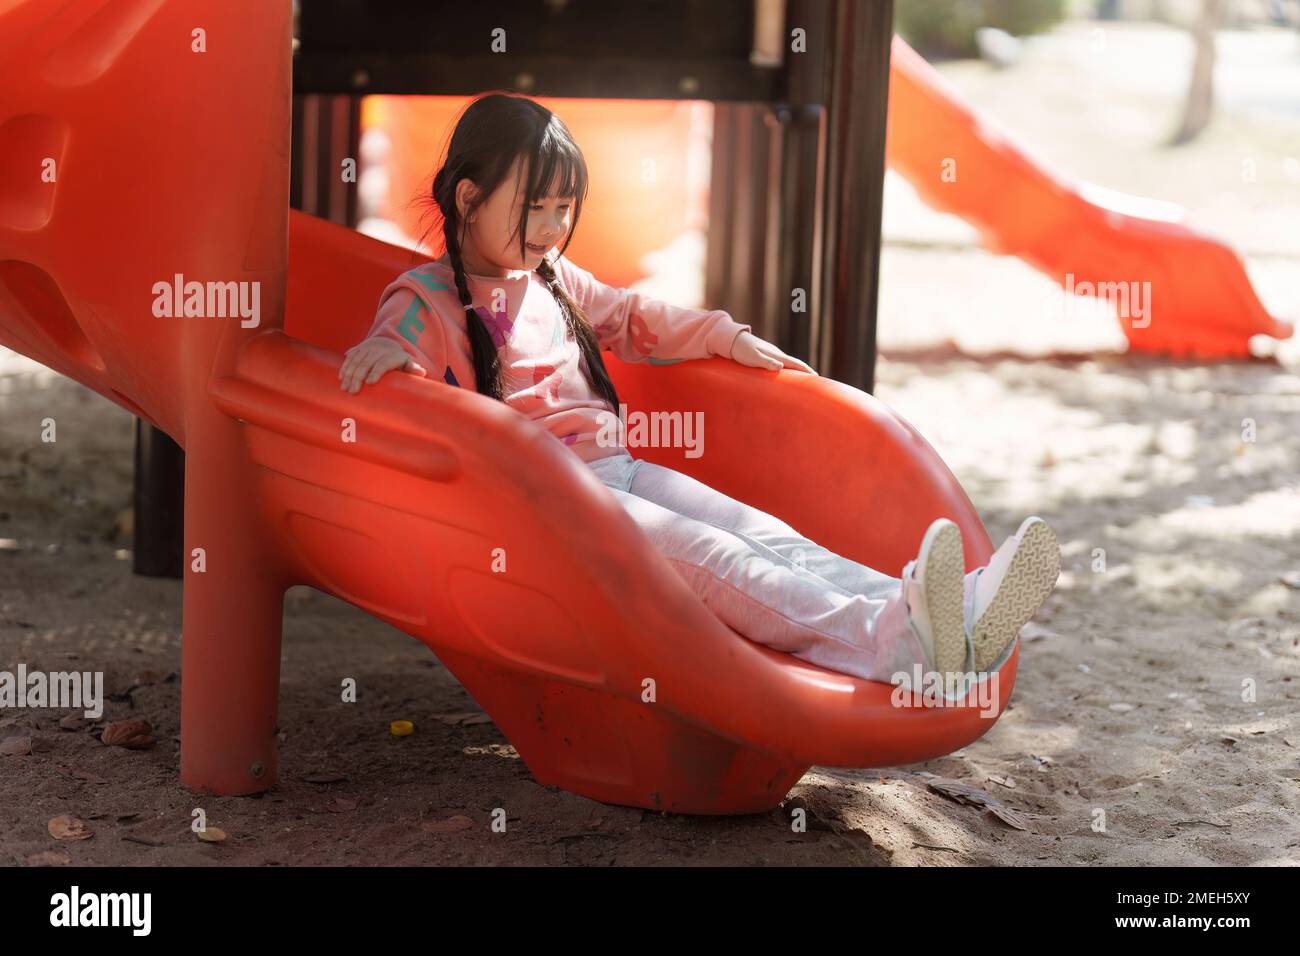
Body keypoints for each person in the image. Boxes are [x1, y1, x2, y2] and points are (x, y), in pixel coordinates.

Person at [339, 92, 1060, 688]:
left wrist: (722, 335)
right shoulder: (427, 299)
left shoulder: (554, 279)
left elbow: (634, 319)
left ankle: (951, 617)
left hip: (616, 474)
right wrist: (382, 352)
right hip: (549, 513)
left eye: (565, 208)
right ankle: (891, 642)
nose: (555, 227)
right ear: (469, 197)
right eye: (538, 206)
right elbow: (396, 359)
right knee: (716, 561)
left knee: (759, 533)